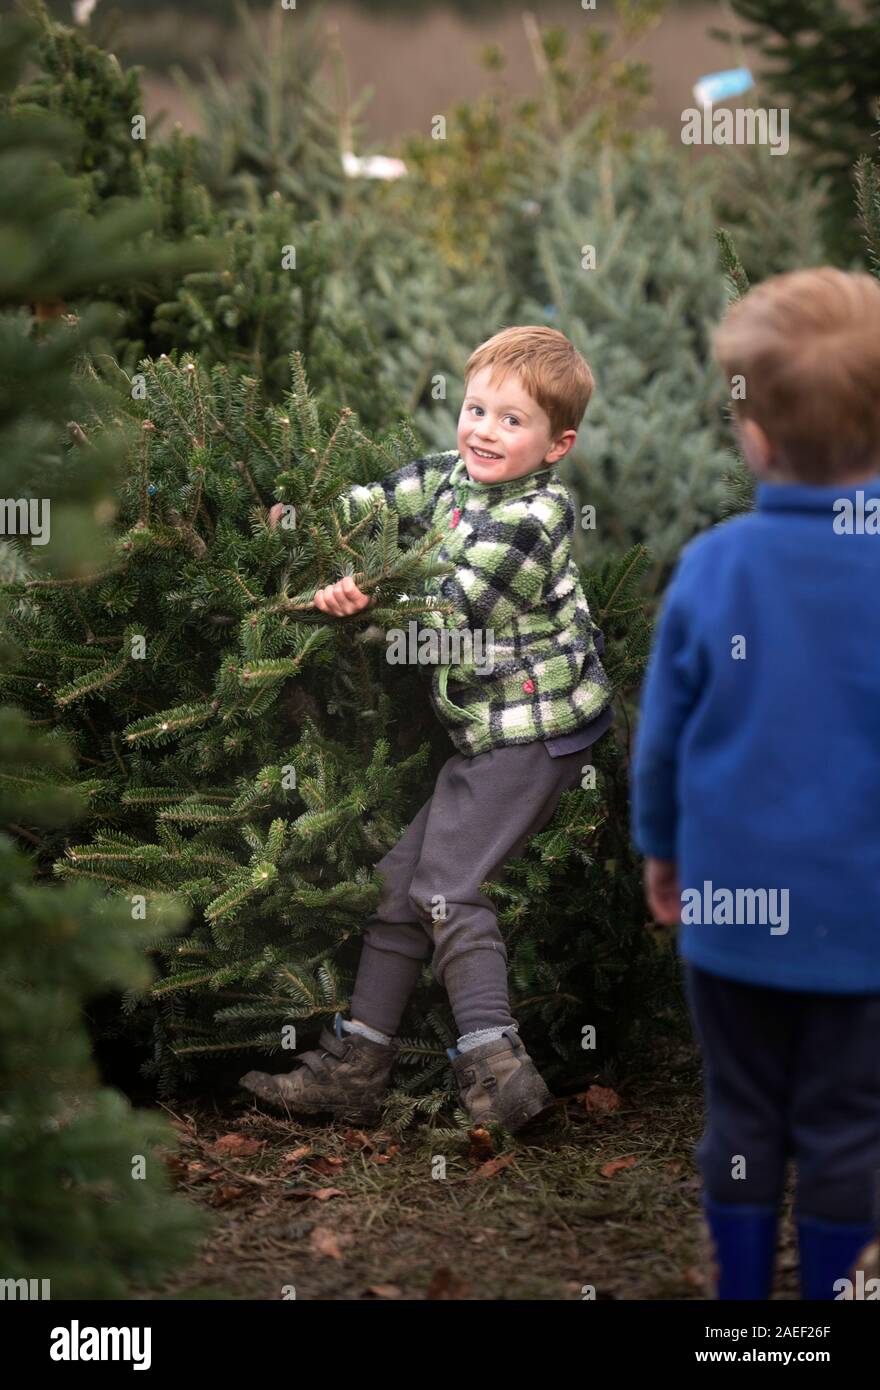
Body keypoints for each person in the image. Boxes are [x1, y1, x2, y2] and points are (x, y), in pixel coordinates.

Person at [240, 325, 614, 1135]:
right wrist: (296, 529)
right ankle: (358, 1067)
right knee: (398, 885)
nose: (483, 429)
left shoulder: (535, 518)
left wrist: (364, 600)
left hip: (536, 729)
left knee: (445, 890)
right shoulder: (449, 479)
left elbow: (452, 613)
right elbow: (369, 508)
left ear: (558, 445)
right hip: (487, 730)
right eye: (476, 408)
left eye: (513, 421)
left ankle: (497, 1071)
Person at [631, 267, 880, 1300]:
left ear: (757, 439)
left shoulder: (713, 566)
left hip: (728, 916)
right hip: (862, 931)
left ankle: (742, 1313)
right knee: (844, 1127)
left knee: (740, 1117)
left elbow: (661, 740)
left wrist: (661, 851)